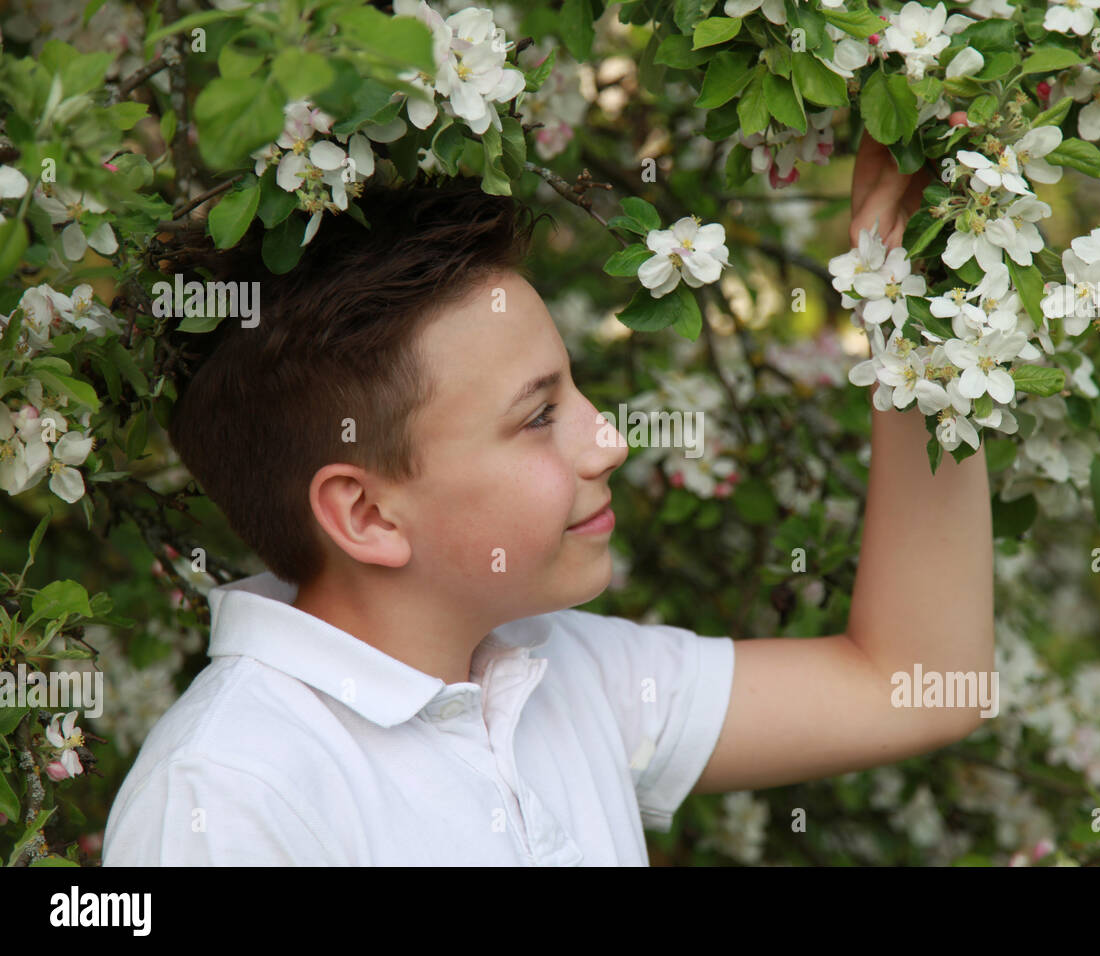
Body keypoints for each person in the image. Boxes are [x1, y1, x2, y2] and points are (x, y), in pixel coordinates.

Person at [102, 131, 993, 865]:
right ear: (367, 515)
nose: (607, 441)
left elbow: (914, 685)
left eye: (574, 389)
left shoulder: (557, 674)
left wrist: (912, 317)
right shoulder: (228, 797)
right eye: (538, 417)